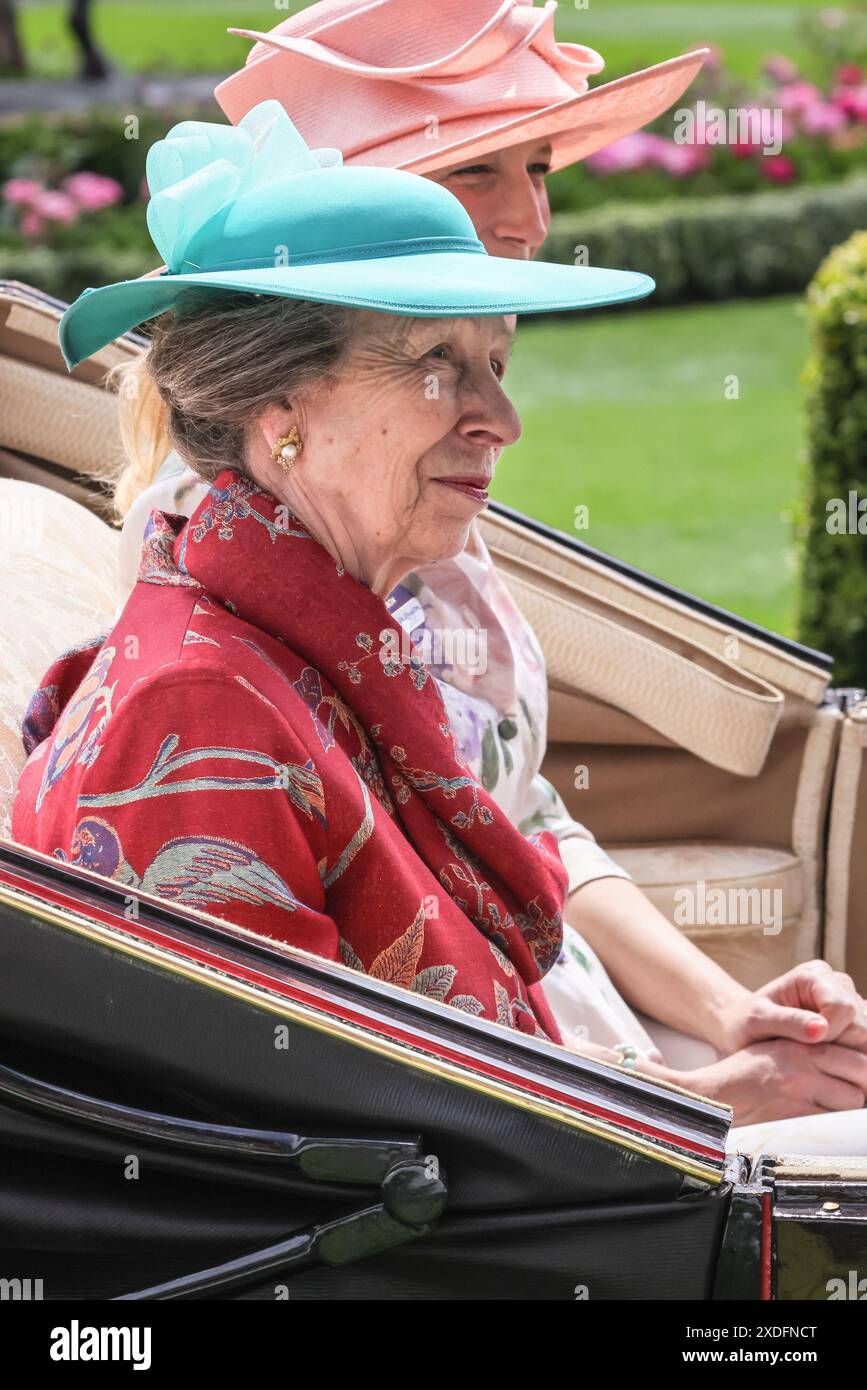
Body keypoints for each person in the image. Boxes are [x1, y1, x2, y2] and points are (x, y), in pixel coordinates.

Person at [104, 1, 867, 1135]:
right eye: (477, 172)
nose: (528, 216)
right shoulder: (241, 594)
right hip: (537, 1127)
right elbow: (321, 1095)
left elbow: (518, 810)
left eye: (540, 164)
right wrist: (699, 1107)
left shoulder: (376, 510)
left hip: (567, 1071)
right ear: (282, 403)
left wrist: (730, 1016)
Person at [11, 100, 661, 1045]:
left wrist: (703, 1101)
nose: (500, 420)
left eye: (497, 362)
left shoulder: (320, 651)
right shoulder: (202, 712)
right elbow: (283, 1136)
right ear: (278, 410)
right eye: (437, 363)